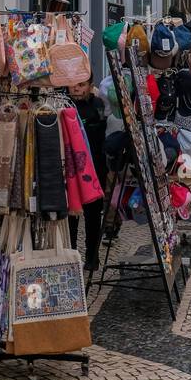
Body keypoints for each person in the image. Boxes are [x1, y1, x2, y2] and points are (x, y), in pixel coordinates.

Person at [67, 77, 108, 271]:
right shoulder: (64, 106)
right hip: (71, 170)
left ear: (90, 86)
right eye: (74, 84)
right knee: (71, 216)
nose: (75, 88)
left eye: (81, 84)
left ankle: (92, 257)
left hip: (94, 168)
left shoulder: (98, 104)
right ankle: (71, 256)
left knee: (93, 216)